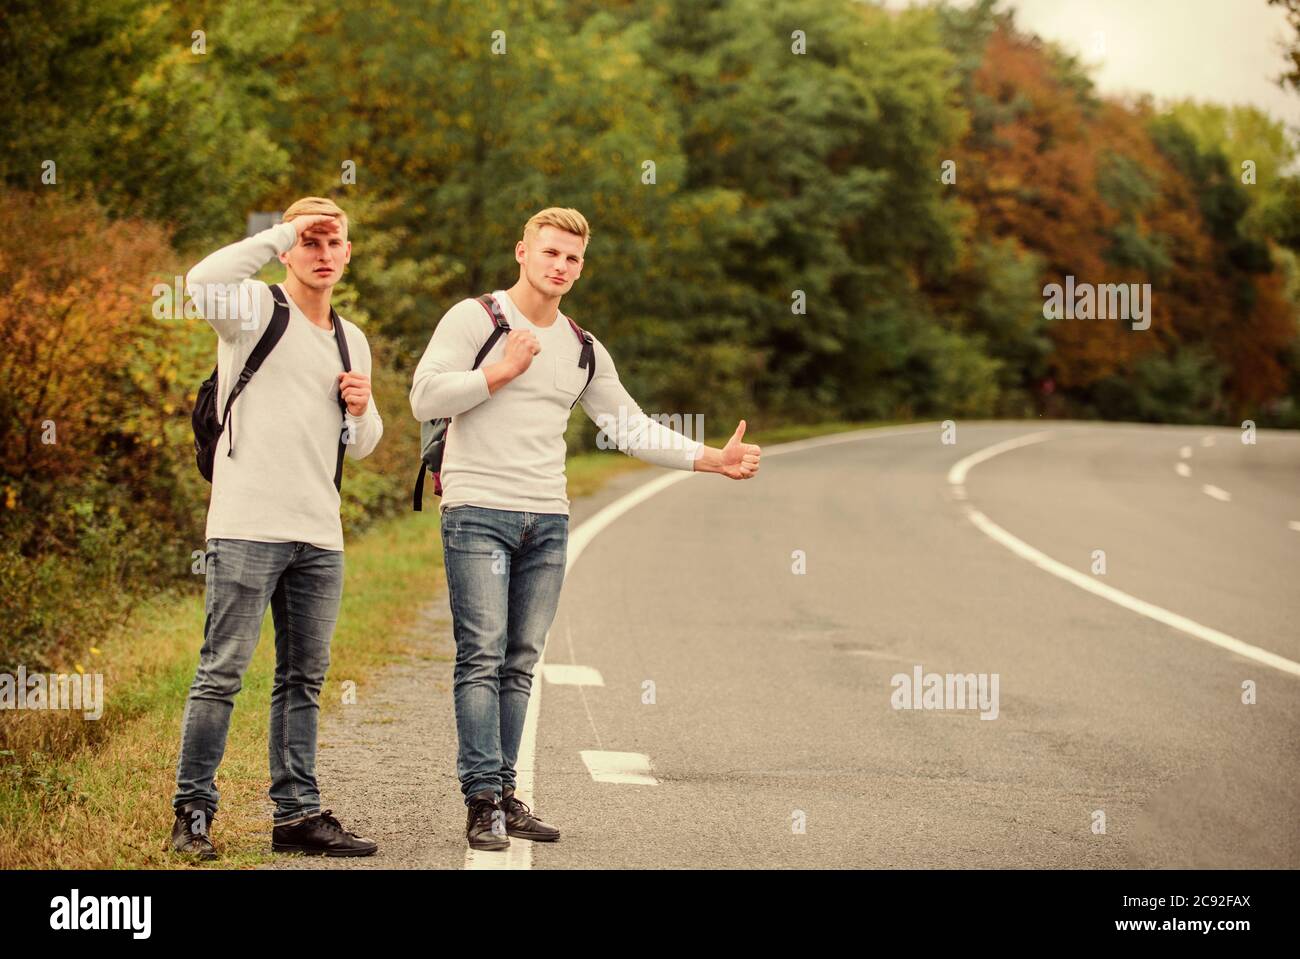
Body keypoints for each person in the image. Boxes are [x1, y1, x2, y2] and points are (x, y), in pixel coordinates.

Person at [409, 207, 761, 850]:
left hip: (547, 518)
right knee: (482, 654)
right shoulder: (476, 320)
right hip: (478, 511)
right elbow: (424, 397)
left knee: (520, 662)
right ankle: (481, 798)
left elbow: (628, 428)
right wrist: (501, 371)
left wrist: (712, 459)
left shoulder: (582, 348)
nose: (560, 266)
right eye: (549, 253)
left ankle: (506, 794)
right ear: (522, 252)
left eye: (572, 258)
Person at [172, 196, 383, 859]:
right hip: (246, 526)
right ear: (289, 249)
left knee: (302, 680)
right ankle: (192, 814)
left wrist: (362, 404)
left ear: (348, 253)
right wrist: (284, 228)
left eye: (333, 242)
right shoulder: (254, 311)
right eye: (310, 242)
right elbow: (200, 281)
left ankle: (296, 816)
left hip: (319, 535)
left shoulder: (353, 338)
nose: (323, 253)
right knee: (222, 673)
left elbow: (367, 443)